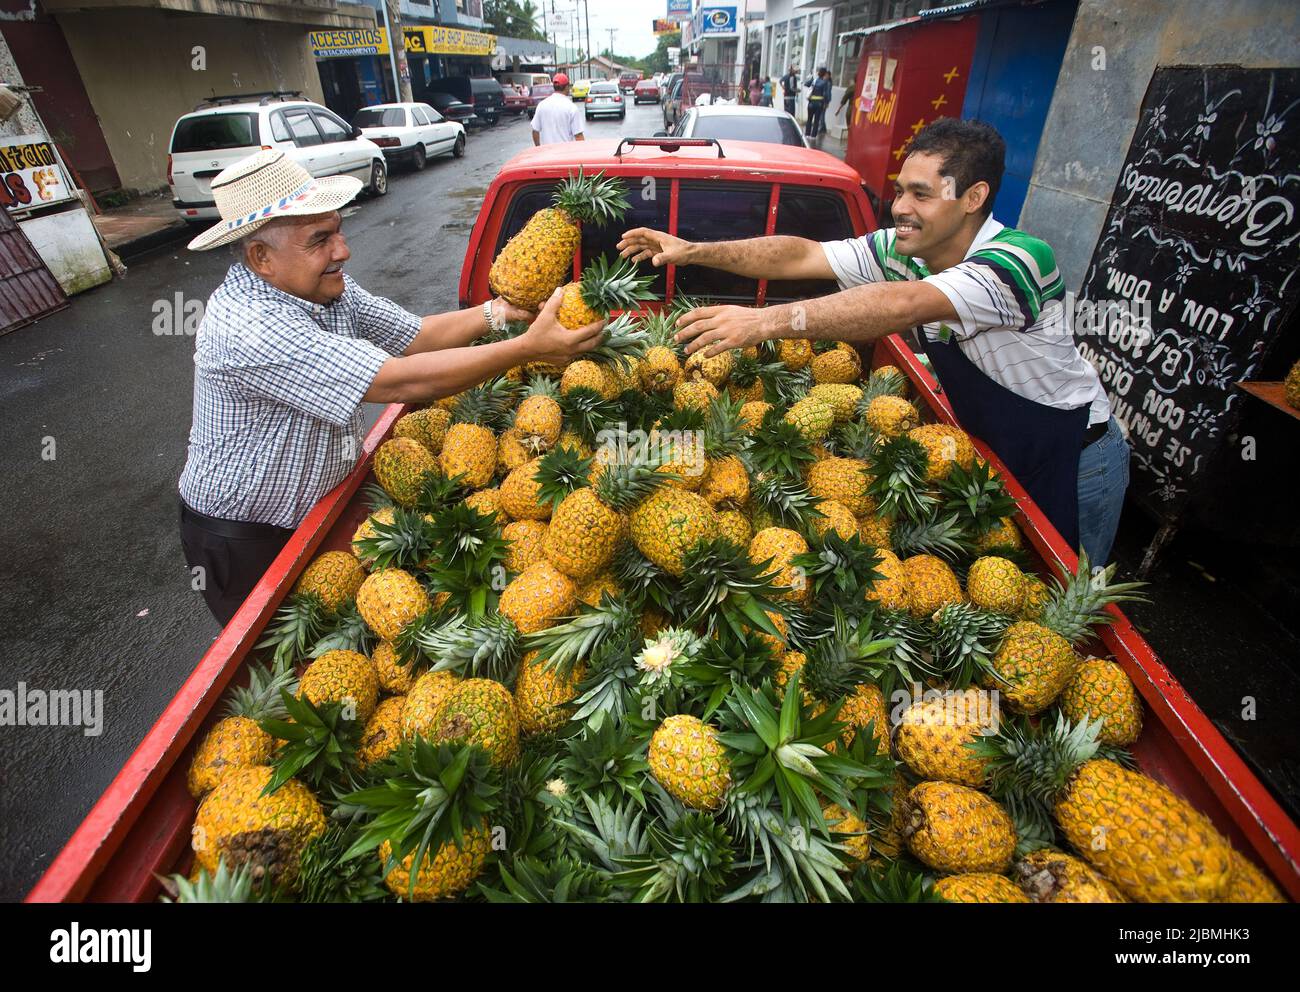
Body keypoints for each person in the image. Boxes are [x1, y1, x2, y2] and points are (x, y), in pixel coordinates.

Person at [618, 119, 1128, 565]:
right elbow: (802, 255)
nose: (900, 207)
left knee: (1068, 591)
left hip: (1072, 457)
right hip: (991, 452)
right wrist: (695, 250)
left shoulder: (1018, 260)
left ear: (973, 198)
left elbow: (903, 304)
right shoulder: (908, 249)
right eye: (900, 191)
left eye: (921, 195)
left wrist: (764, 322)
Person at [178, 150, 603, 624]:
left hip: (318, 507)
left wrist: (497, 313)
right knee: (271, 648)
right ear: (261, 257)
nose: (342, 250)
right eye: (320, 240)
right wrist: (524, 348)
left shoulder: (322, 288)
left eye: (338, 231)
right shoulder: (248, 326)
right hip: (248, 533)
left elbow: (414, 337)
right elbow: (400, 379)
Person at [532, 72, 585, 146]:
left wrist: (538, 148)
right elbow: (578, 136)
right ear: (567, 87)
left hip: (547, 151)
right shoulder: (571, 107)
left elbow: (535, 131)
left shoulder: (542, 105)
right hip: (565, 151)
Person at [805, 66, 832, 139]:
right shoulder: (825, 83)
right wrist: (826, 103)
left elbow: (806, 84)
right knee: (816, 120)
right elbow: (825, 94)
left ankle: (807, 134)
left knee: (809, 119)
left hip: (811, 103)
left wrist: (811, 77)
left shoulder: (814, 80)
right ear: (824, 74)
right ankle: (813, 136)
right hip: (819, 104)